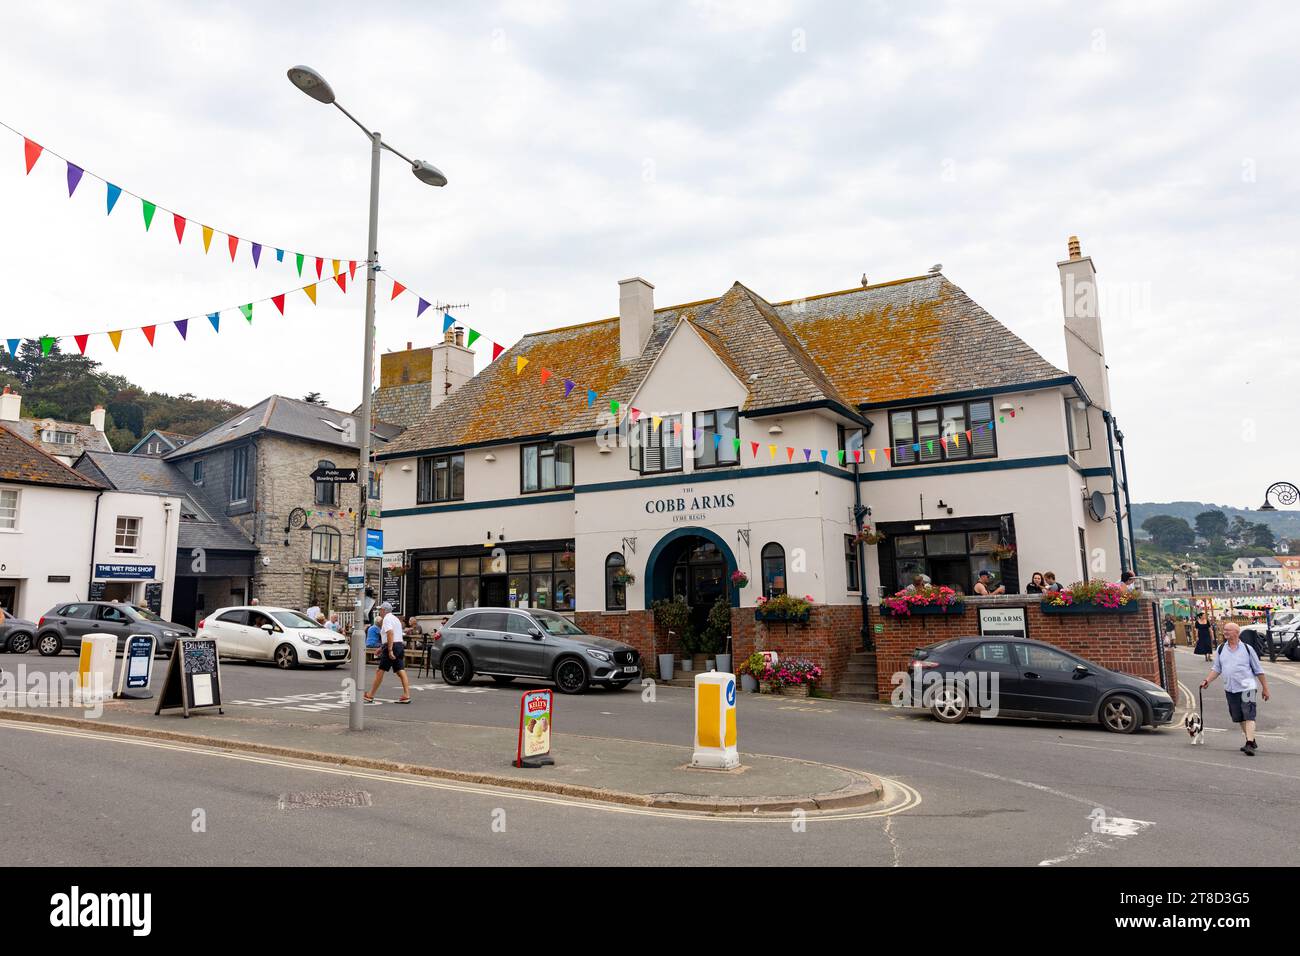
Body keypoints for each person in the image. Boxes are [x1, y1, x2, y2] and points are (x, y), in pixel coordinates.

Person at [1201, 622, 1270, 756]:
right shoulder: (1221, 649)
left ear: (1236, 633)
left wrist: (1265, 688)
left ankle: (1249, 743)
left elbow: (1258, 670)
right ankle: (1251, 739)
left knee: (1249, 714)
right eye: (1225, 630)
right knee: (1239, 717)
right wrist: (1207, 680)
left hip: (1247, 687)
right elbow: (1216, 669)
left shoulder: (1247, 649)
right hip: (1230, 689)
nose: (1225, 632)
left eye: (1228, 630)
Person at [364, 603, 410, 704]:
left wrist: (389, 650)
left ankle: (370, 695)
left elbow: (390, 633)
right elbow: (394, 635)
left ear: (384, 610)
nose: (379, 611)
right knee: (400, 670)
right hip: (399, 645)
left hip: (392, 645)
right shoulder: (396, 619)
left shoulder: (386, 619)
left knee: (380, 670)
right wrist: (381, 648)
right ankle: (406, 695)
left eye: (380, 609)